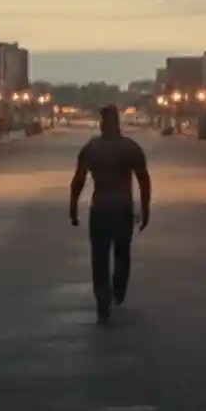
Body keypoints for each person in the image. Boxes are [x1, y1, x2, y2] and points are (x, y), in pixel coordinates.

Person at [70, 104, 151, 323]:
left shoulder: (92, 149)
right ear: (118, 123)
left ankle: (102, 298)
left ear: (102, 123)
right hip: (123, 207)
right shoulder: (130, 148)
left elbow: (78, 180)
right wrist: (145, 209)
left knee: (99, 256)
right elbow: (144, 180)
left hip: (100, 209)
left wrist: (73, 208)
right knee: (122, 252)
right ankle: (119, 288)